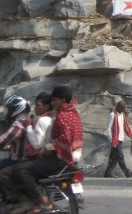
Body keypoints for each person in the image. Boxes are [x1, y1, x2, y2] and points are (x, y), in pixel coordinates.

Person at [14, 85, 83, 214]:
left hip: (63, 158)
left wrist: (46, 149)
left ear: (62, 100)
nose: (52, 103)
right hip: (75, 156)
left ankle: (44, 202)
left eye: (54, 100)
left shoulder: (62, 116)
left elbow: (64, 141)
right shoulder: (75, 114)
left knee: (22, 169)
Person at [0, 92, 55, 212]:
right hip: (47, 157)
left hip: (39, 158)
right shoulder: (52, 118)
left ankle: (26, 201)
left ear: (46, 106)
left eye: (38, 105)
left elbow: (37, 144)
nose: (35, 108)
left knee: (4, 174)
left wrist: (28, 126)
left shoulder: (41, 121)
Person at [103, 101, 132, 178]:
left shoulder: (123, 115)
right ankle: (126, 171)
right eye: (121, 108)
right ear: (118, 107)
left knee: (113, 158)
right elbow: (109, 128)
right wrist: (111, 140)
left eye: (123, 108)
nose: (123, 110)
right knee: (120, 156)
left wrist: (130, 135)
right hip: (115, 140)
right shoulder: (112, 115)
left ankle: (107, 173)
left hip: (120, 139)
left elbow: (126, 127)